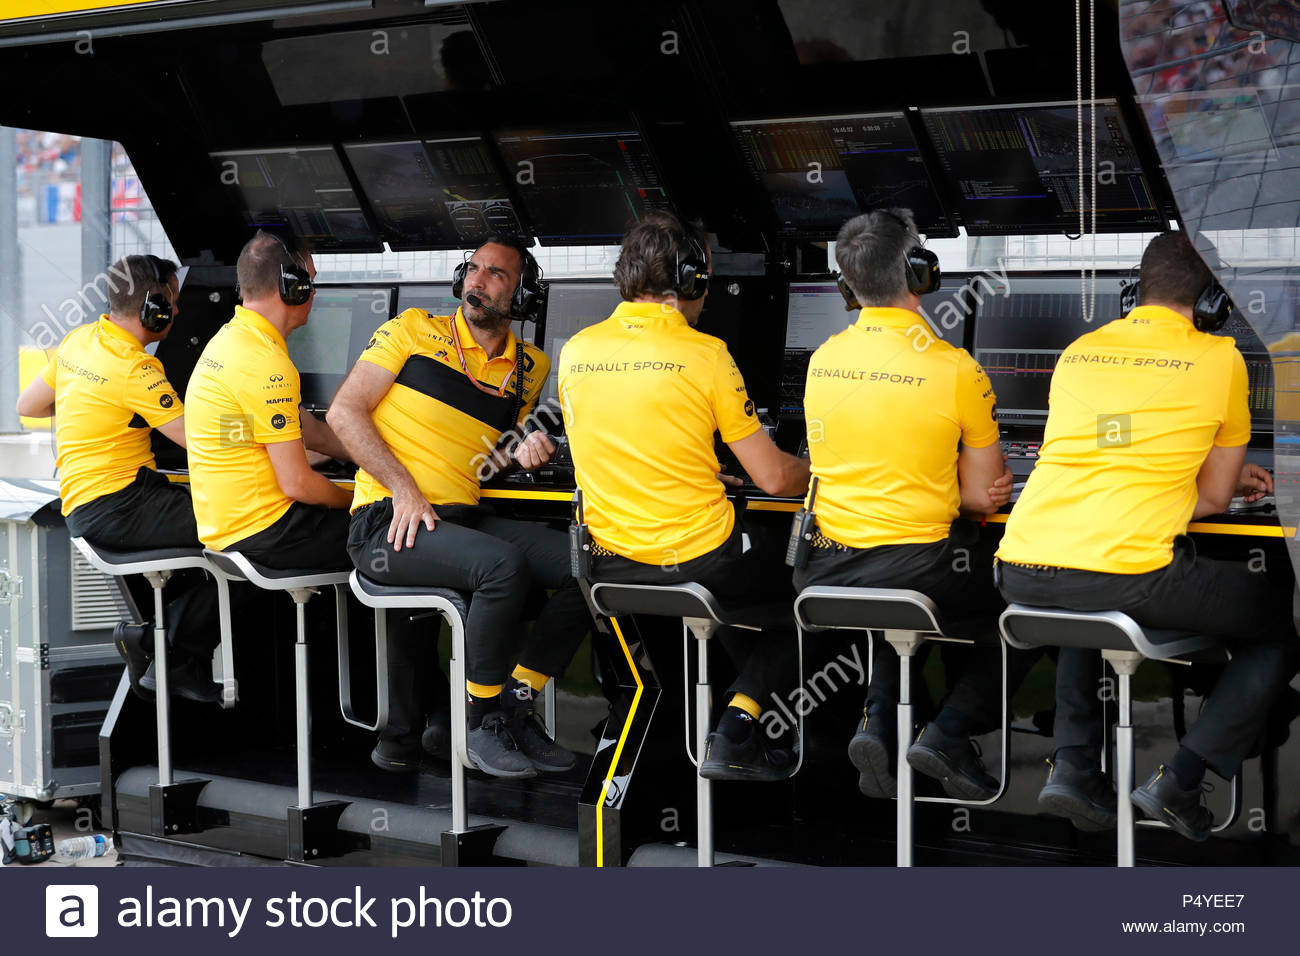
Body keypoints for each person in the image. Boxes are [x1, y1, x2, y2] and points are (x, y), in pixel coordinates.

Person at [997, 230, 1299, 841]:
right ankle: (1182, 779)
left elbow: (1108, 448)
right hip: (1125, 577)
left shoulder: (1080, 350)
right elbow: (1213, 499)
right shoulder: (1221, 359)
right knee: (1286, 619)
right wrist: (1213, 483)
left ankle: (1075, 764)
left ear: (1134, 291)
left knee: (1088, 574)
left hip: (1019, 571)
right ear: (1214, 300)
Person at [559, 211, 810, 780]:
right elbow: (772, 479)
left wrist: (689, 467)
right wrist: (825, 470)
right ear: (692, 279)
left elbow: (616, 446)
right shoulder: (708, 354)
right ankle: (738, 725)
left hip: (612, 565)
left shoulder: (576, 351)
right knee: (811, 580)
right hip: (699, 562)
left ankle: (734, 729)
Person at [328, 236, 592, 777]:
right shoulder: (412, 329)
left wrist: (518, 454)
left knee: (584, 561)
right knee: (503, 568)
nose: (477, 281)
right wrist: (404, 488)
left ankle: (516, 703)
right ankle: (479, 722)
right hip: (387, 520)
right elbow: (344, 413)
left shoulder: (531, 368)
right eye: (473, 269)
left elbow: (485, 461)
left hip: (460, 517)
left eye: (495, 274)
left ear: (524, 294)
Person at [792, 208, 1025, 801]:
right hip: (917, 567)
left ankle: (880, 717)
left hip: (825, 569)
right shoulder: (956, 368)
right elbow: (980, 494)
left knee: (892, 597)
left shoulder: (820, 361)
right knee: (1024, 602)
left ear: (848, 286)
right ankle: (947, 731)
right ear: (920, 272)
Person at [17, 254, 220, 703]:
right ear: (155, 306)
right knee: (247, 527)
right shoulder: (137, 369)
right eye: (173, 301)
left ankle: (176, 660)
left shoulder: (78, 341)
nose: (179, 312)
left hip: (84, 507)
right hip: (124, 504)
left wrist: (94, 405)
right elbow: (200, 441)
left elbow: (28, 406)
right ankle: (156, 644)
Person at [184, 231, 353, 571]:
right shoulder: (266, 363)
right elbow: (297, 483)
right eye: (311, 283)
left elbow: (311, 432)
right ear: (293, 287)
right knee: (388, 533)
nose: (314, 293)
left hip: (228, 532)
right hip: (268, 531)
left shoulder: (229, 340)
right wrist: (358, 501)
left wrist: (371, 457)